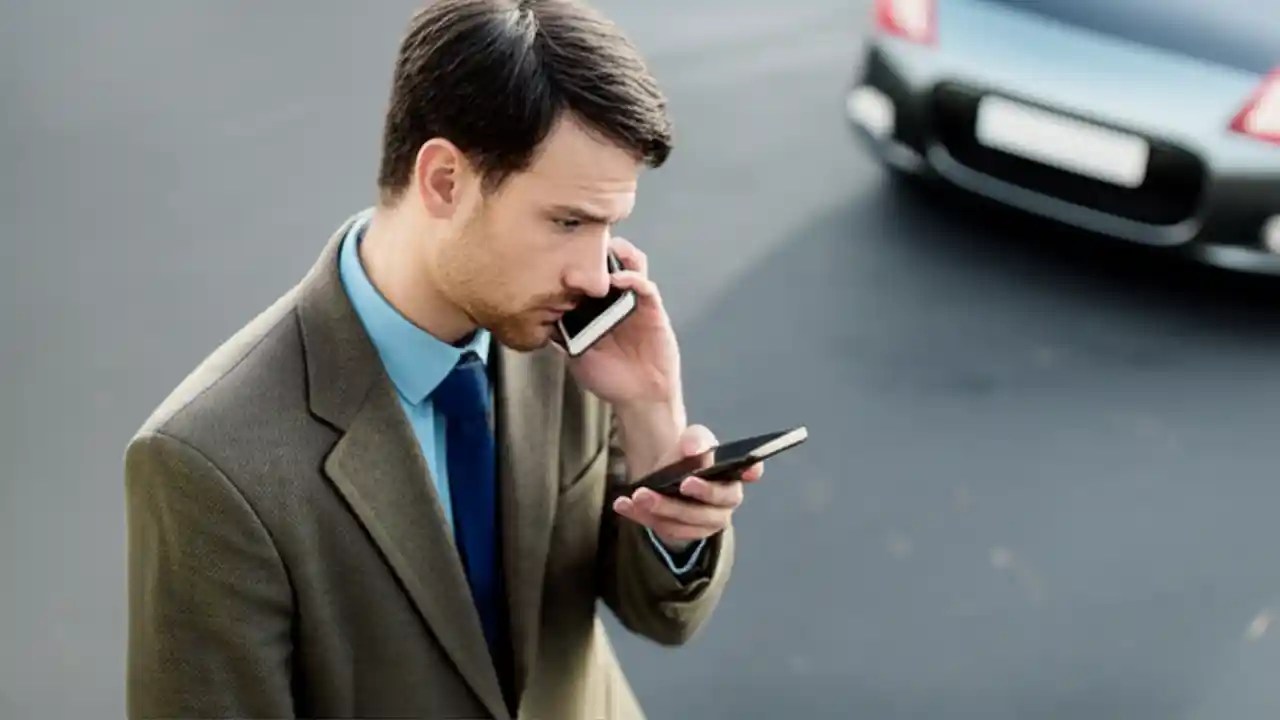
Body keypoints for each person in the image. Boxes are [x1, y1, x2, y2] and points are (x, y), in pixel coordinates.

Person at [123, 1, 771, 718]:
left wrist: (651, 409)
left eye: (609, 225)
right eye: (567, 222)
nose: (595, 274)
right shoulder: (209, 463)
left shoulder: (573, 339)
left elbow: (664, 618)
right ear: (443, 181)